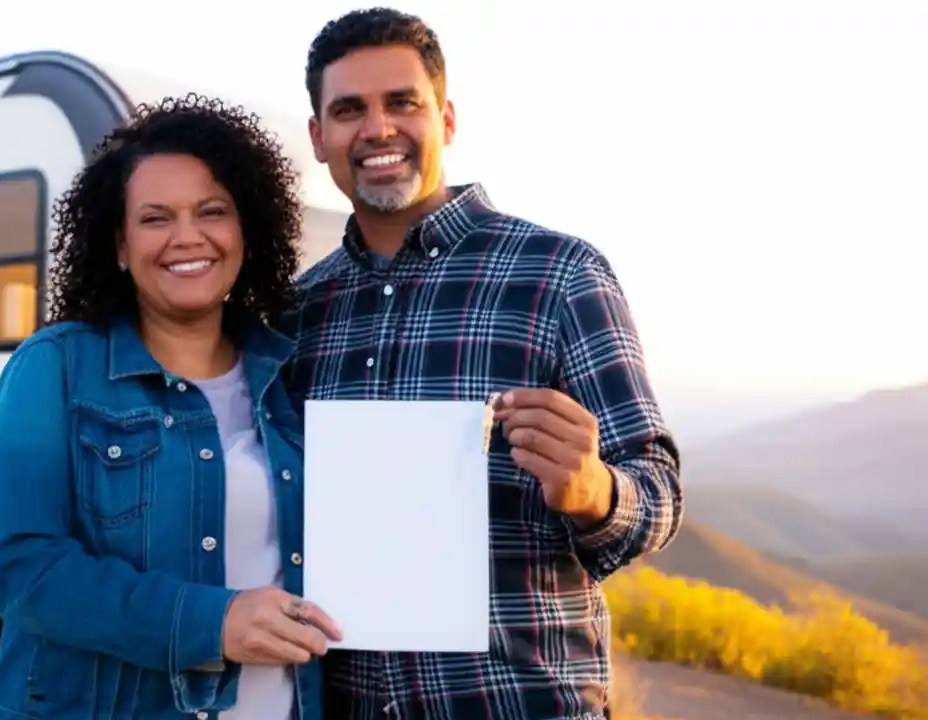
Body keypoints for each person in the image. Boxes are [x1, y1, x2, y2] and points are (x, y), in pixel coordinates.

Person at [280, 8, 684, 719]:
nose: (377, 129)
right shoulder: (298, 315)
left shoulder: (559, 276)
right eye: (349, 110)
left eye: (402, 102)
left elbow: (658, 497)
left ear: (447, 117)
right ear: (319, 137)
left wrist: (593, 490)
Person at [0, 93, 342, 720]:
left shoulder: (291, 377)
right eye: (155, 218)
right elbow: (24, 569)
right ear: (119, 246)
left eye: (212, 211)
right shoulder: (55, 368)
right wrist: (211, 622)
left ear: (244, 228)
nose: (186, 237)